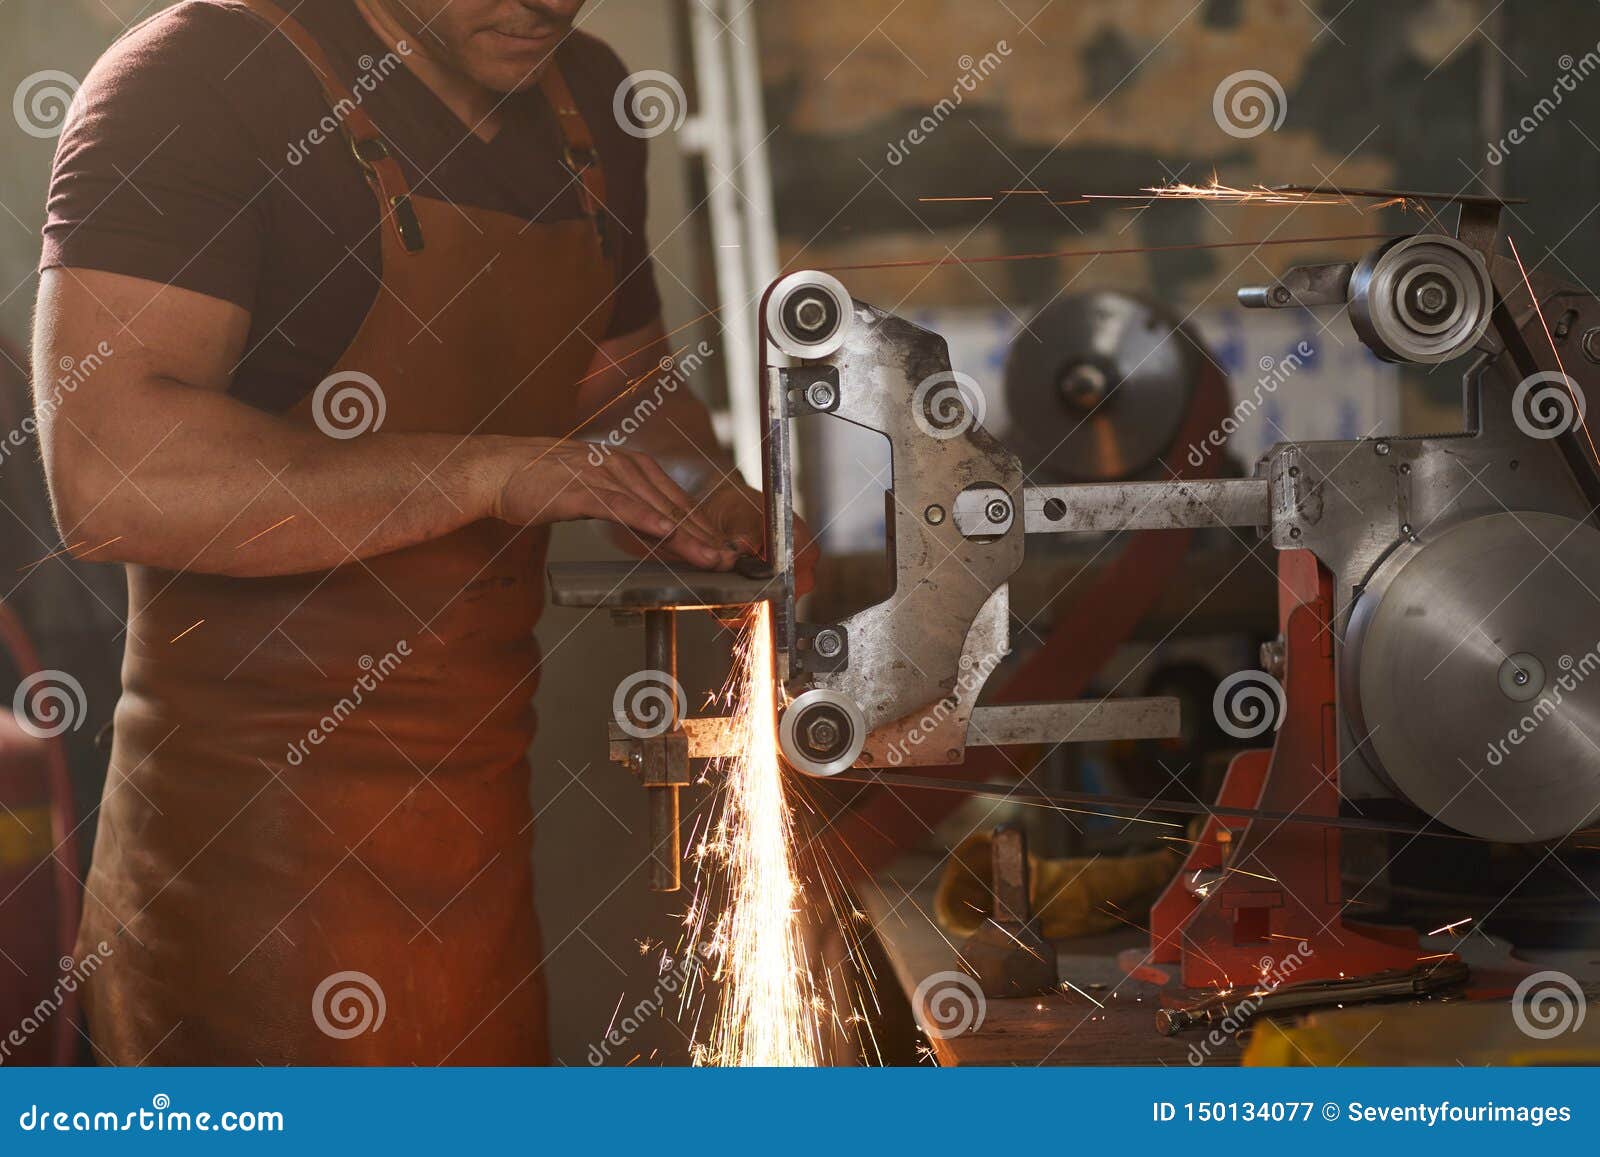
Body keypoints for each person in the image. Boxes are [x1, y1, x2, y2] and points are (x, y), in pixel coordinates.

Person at [33, 0, 812, 1064]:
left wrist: (704, 492)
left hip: (480, 846)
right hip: (246, 873)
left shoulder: (589, 100)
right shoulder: (197, 79)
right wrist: (488, 470)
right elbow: (111, 475)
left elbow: (617, 386)